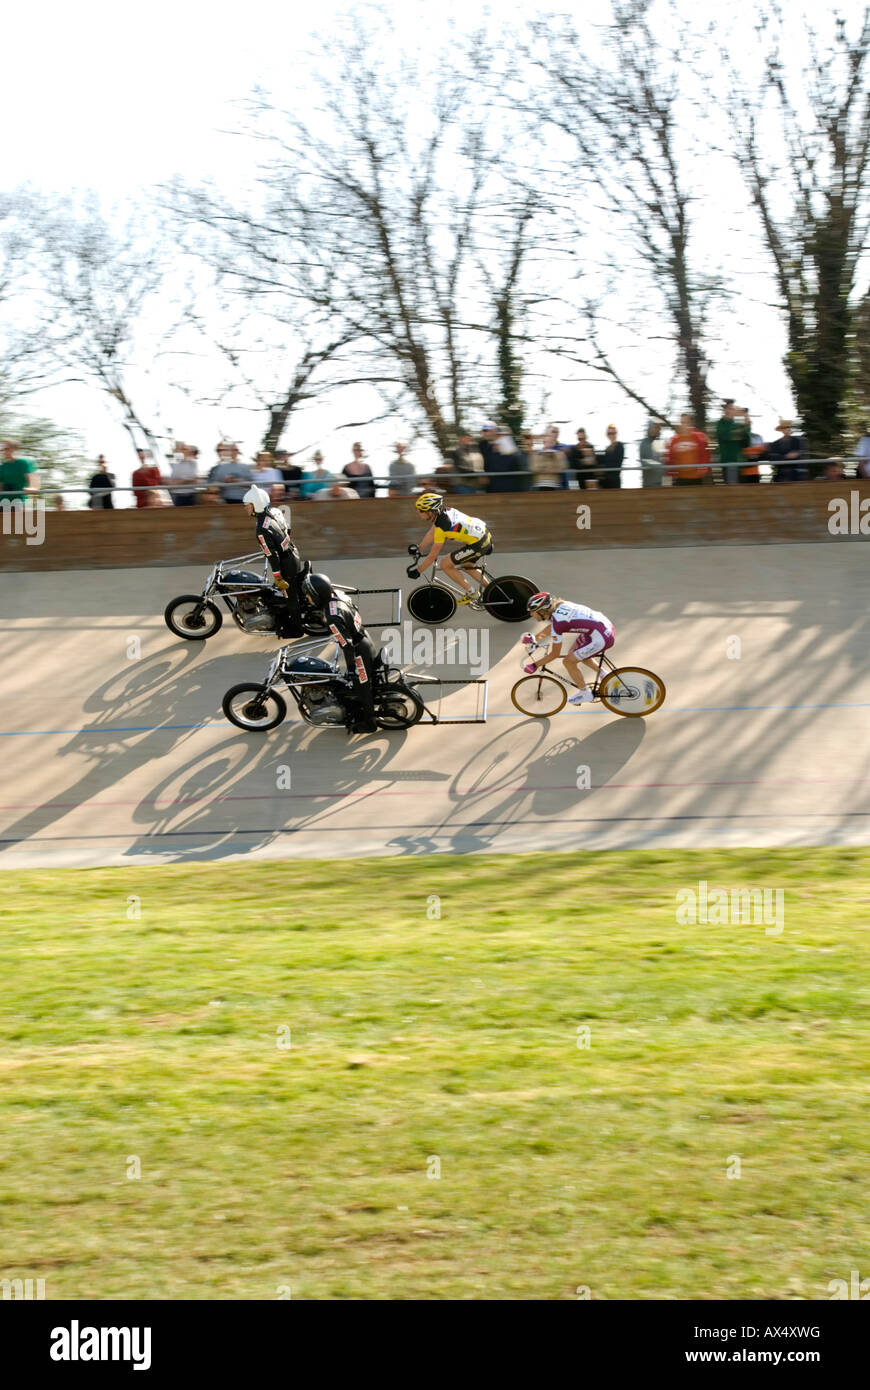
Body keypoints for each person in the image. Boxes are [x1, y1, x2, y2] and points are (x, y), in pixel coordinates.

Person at [300, 570, 380, 734]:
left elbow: (347, 645)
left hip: (359, 649)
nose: (307, 599)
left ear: (317, 595)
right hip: (364, 637)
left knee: (361, 686)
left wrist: (351, 669)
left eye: (308, 595)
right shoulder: (338, 595)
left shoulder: (332, 617)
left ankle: (370, 723)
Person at [521, 590, 615, 706]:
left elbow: (554, 654)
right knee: (574, 653)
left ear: (542, 611)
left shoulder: (558, 624)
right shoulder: (561, 606)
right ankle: (604, 674)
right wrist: (535, 638)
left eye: (533, 612)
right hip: (603, 627)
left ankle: (585, 693)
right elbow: (552, 627)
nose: (531, 615)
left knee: (568, 661)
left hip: (601, 637)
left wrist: (535, 665)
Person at [243, 484, 305, 637]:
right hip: (293, 553)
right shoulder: (273, 513)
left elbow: (273, 556)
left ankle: (297, 629)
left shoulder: (261, 529)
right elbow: (287, 530)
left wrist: (277, 576)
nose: (245, 508)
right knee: (287, 592)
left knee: (289, 596)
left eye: (247, 505)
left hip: (286, 563)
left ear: (256, 505)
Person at [407, 492, 493, 604]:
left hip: (478, 543)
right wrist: (419, 549)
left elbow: (433, 555)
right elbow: (431, 534)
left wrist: (418, 571)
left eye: (422, 510)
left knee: (445, 564)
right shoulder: (445, 511)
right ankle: (492, 590)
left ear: (431, 511)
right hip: (484, 535)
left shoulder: (442, 527)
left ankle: (472, 592)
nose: (419, 513)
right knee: (467, 565)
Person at [665, 414, 712, 484]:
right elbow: (671, 457)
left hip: (696, 478)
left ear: (691, 423)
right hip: (680, 478)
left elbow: (705, 454)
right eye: (682, 422)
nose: (683, 425)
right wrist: (672, 472)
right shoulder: (674, 440)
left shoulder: (699, 437)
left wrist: (703, 469)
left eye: (686, 422)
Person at [715, 400, 751, 485]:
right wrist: (741, 429)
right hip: (729, 463)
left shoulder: (739, 421)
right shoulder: (720, 423)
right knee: (732, 490)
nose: (729, 411)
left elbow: (746, 442)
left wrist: (746, 425)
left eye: (732, 408)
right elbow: (726, 436)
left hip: (741, 463)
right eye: (727, 408)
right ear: (724, 410)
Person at [638, 422, 664, 487]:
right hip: (647, 484)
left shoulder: (660, 443)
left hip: (659, 483)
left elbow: (663, 461)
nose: (654, 430)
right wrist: (658, 465)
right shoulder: (643, 443)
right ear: (648, 429)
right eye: (652, 428)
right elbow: (643, 461)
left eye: (657, 428)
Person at [600, 424, 624, 489]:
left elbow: (617, 463)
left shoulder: (620, 445)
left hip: (615, 480)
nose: (612, 435)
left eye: (613, 433)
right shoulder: (607, 448)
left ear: (616, 434)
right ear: (607, 435)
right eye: (609, 433)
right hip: (607, 480)